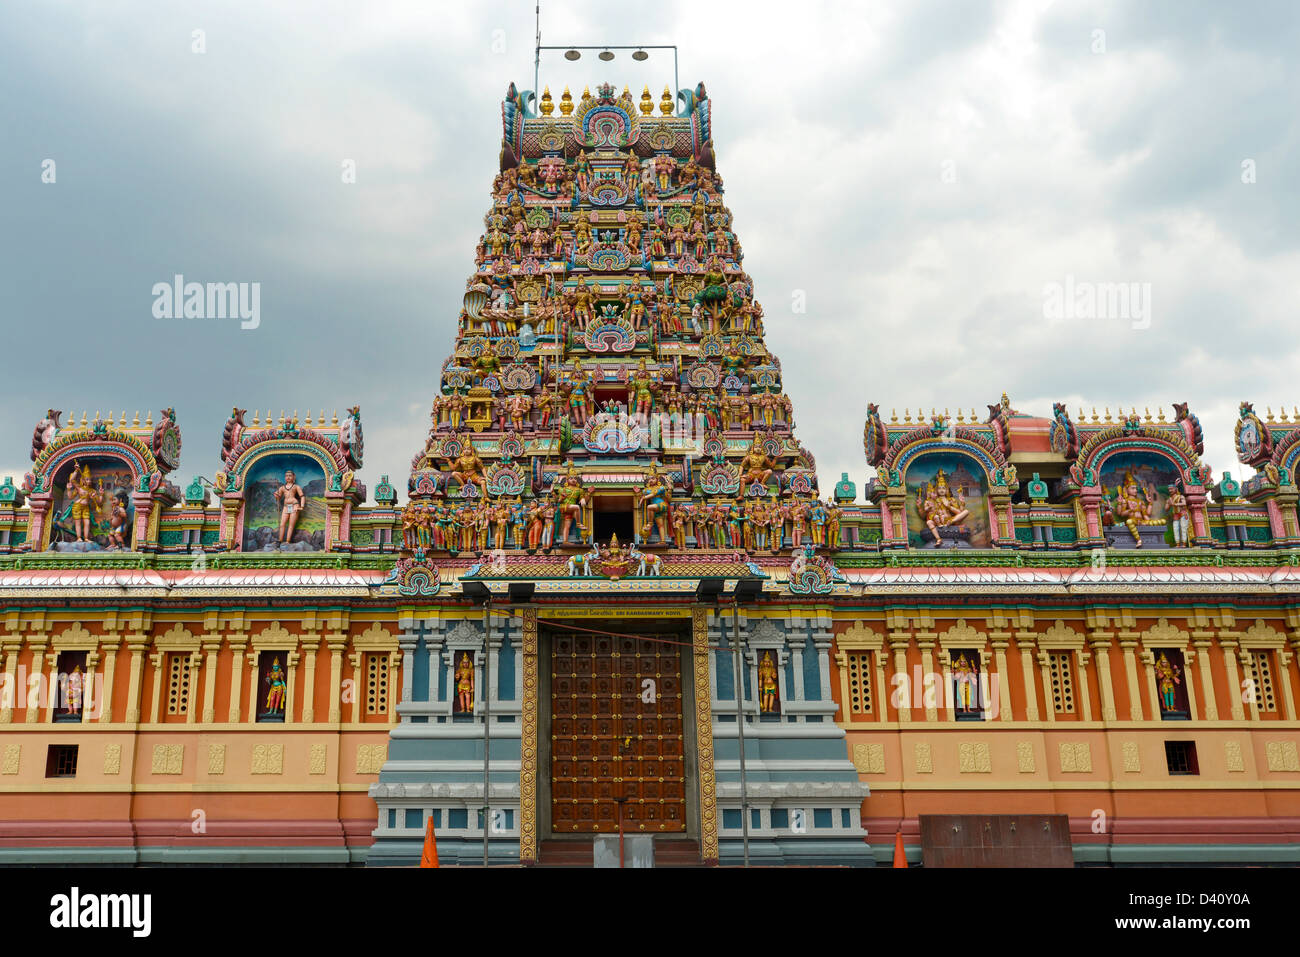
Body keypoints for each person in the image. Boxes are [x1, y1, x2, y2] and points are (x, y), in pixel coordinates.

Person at [274, 470, 305, 545]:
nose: (288, 477)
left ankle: (287, 541)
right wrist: (276, 496)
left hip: (294, 506)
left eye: (290, 475)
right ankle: (280, 540)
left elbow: (302, 496)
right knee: (282, 524)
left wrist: (302, 506)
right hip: (286, 507)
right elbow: (278, 496)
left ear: (293, 477)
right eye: (286, 476)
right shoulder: (282, 488)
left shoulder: (296, 487)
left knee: (291, 525)